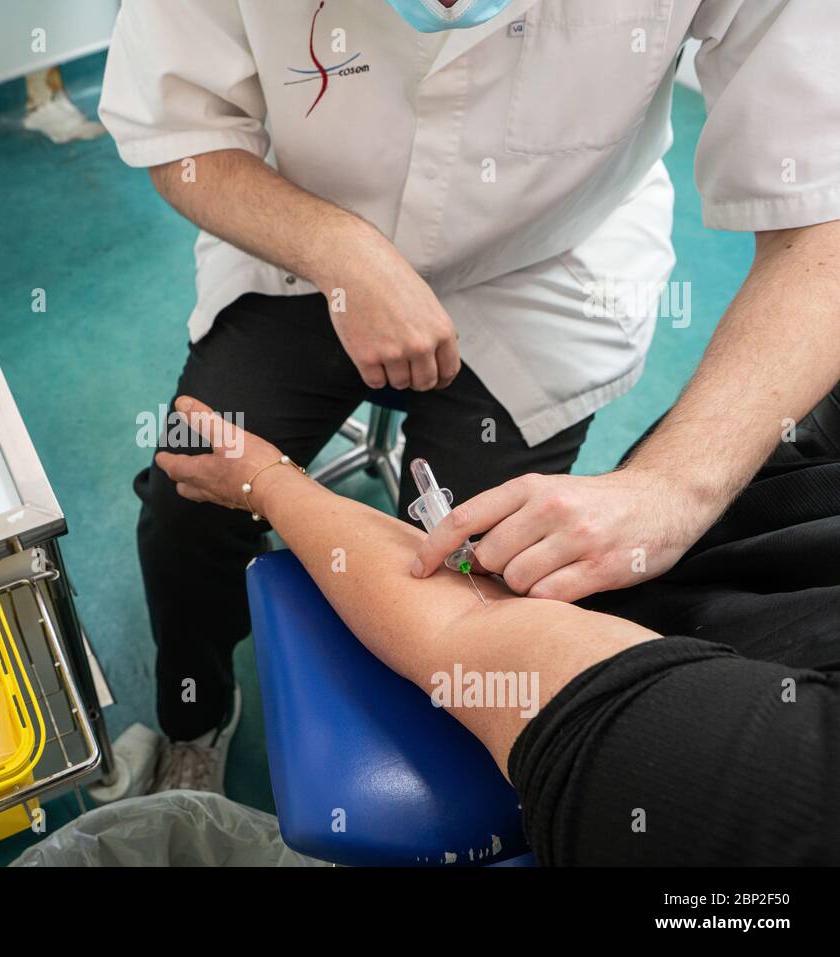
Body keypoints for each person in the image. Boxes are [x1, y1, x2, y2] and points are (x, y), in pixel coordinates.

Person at [98, 0, 840, 791]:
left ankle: (422, 766)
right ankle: (197, 712)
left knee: (473, 571)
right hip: (307, 238)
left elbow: (821, 224)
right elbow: (181, 136)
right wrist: (337, 249)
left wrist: (671, 488)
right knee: (186, 507)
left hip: (546, 262)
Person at [154, 390, 840, 864]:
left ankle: (195, 723)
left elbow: (454, 620)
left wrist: (263, 479)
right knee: (174, 505)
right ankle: (195, 713)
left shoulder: (772, 795)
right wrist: (674, 484)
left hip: (540, 309)